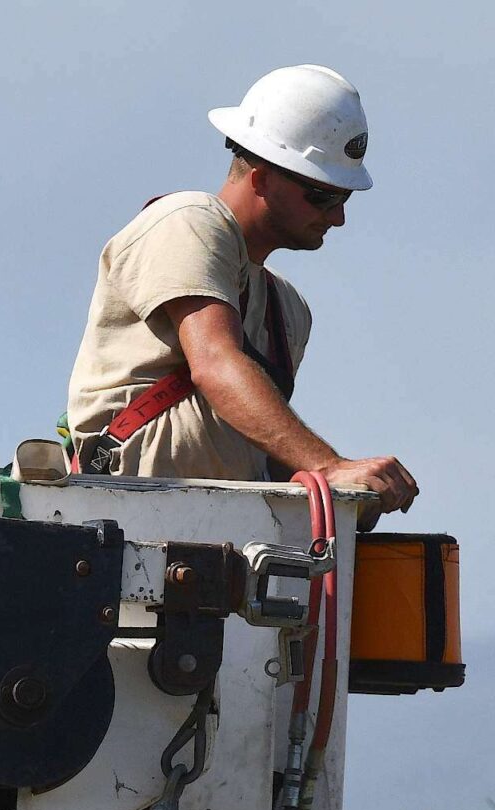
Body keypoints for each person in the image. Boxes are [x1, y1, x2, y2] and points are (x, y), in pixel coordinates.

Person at [64, 65, 417, 516]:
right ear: (262, 176)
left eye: (343, 199)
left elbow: (267, 455)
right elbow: (213, 363)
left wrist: (346, 499)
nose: (337, 218)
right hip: (118, 521)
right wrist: (329, 465)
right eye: (322, 197)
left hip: (220, 539)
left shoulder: (287, 310)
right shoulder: (188, 220)